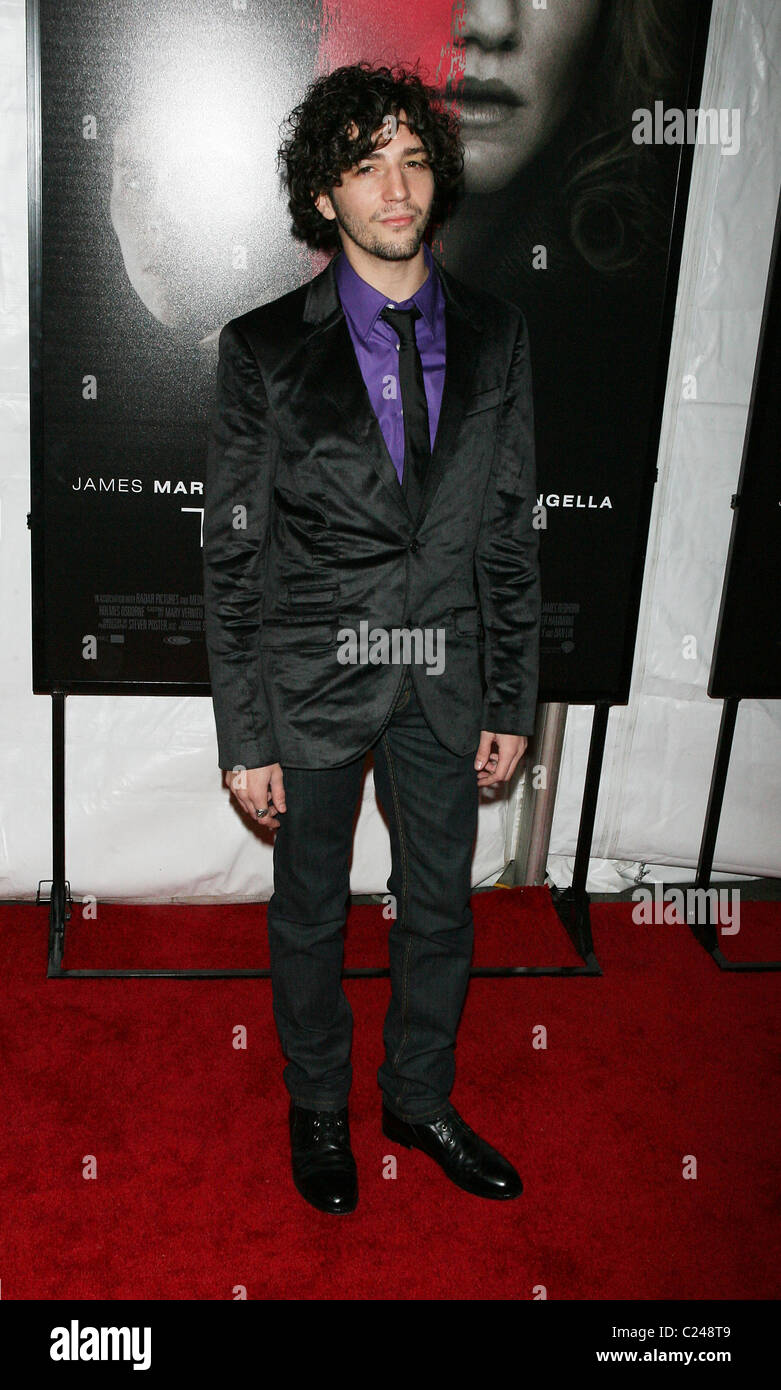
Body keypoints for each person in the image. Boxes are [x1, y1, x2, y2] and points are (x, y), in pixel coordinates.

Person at [203, 61, 541, 1214]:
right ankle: (315, 1105)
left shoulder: (498, 335)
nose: (392, 188)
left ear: (433, 182)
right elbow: (233, 556)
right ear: (322, 198)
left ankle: (418, 1095)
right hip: (312, 680)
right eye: (362, 165)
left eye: (410, 161)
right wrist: (244, 732)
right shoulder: (261, 351)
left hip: (447, 676)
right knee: (309, 906)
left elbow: (506, 532)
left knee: (440, 902)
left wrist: (512, 697)